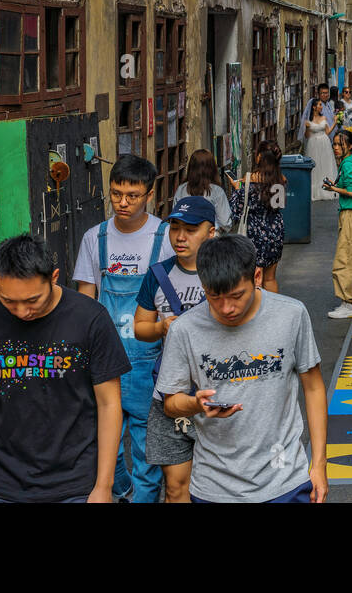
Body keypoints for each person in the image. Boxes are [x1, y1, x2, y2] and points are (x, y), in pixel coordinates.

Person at [0, 234, 128, 503]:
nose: (22, 311)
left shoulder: (90, 318)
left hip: (75, 484)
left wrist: (104, 485)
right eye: (9, 301)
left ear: (53, 277)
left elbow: (109, 403)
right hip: (3, 485)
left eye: (32, 300)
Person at [156, 234, 328, 503]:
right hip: (215, 487)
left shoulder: (291, 314)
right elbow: (170, 404)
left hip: (284, 479)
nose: (227, 308)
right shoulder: (184, 330)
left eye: (236, 295)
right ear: (203, 287)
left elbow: (314, 386)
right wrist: (195, 404)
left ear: (257, 277)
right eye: (214, 297)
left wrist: (319, 463)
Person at [72, 153, 174, 503]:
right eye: (116, 193)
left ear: (149, 194)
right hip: (104, 358)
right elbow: (86, 301)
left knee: (148, 448)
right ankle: (123, 490)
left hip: (150, 357)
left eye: (132, 195)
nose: (123, 202)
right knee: (105, 443)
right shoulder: (94, 238)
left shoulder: (165, 237)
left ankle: (143, 498)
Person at [133, 197, 219, 502]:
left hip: (218, 394)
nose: (180, 237)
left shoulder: (225, 274)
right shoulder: (158, 274)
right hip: (170, 394)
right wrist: (161, 328)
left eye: (191, 229)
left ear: (211, 232)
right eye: (175, 227)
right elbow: (139, 328)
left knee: (222, 484)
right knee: (174, 488)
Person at [227, 141, 286, 293]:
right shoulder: (281, 179)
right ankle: (272, 310)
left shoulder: (247, 180)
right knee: (270, 278)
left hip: (254, 234)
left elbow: (236, 211)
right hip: (275, 232)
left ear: (259, 157)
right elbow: (278, 205)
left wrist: (237, 189)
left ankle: (257, 310)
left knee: (254, 276)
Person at [324, 129, 352, 320]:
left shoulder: (348, 165)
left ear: (349, 146)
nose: (335, 148)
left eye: (339, 144)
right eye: (334, 144)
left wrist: (332, 188)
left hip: (351, 215)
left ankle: (347, 302)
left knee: (343, 260)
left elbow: (350, 192)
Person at [173, 149, 232, 230]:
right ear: (212, 168)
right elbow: (225, 222)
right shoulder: (217, 191)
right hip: (209, 237)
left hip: (186, 235)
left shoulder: (181, 189)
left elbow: (175, 215)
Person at [305, 100, 339, 201]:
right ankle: (315, 190)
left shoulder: (323, 118)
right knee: (316, 167)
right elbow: (306, 136)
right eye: (319, 105)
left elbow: (327, 131)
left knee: (325, 164)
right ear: (314, 107)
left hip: (324, 142)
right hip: (313, 143)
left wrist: (335, 122)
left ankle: (327, 186)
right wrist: (307, 128)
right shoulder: (308, 120)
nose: (321, 107)